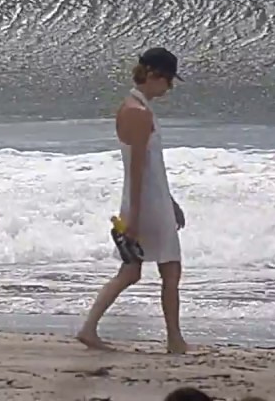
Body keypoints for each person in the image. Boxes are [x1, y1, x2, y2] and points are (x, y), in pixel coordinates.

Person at [77, 46, 188, 354]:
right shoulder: (137, 113)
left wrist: (170, 200)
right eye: (168, 81)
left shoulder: (135, 107)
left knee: (132, 271)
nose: (170, 88)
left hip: (150, 200)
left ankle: (88, 328)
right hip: (146, 204)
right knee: (168, 269)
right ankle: (175, 341)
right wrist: (136, 218)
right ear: (153, 76)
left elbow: (151, 169)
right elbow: (138, 169)